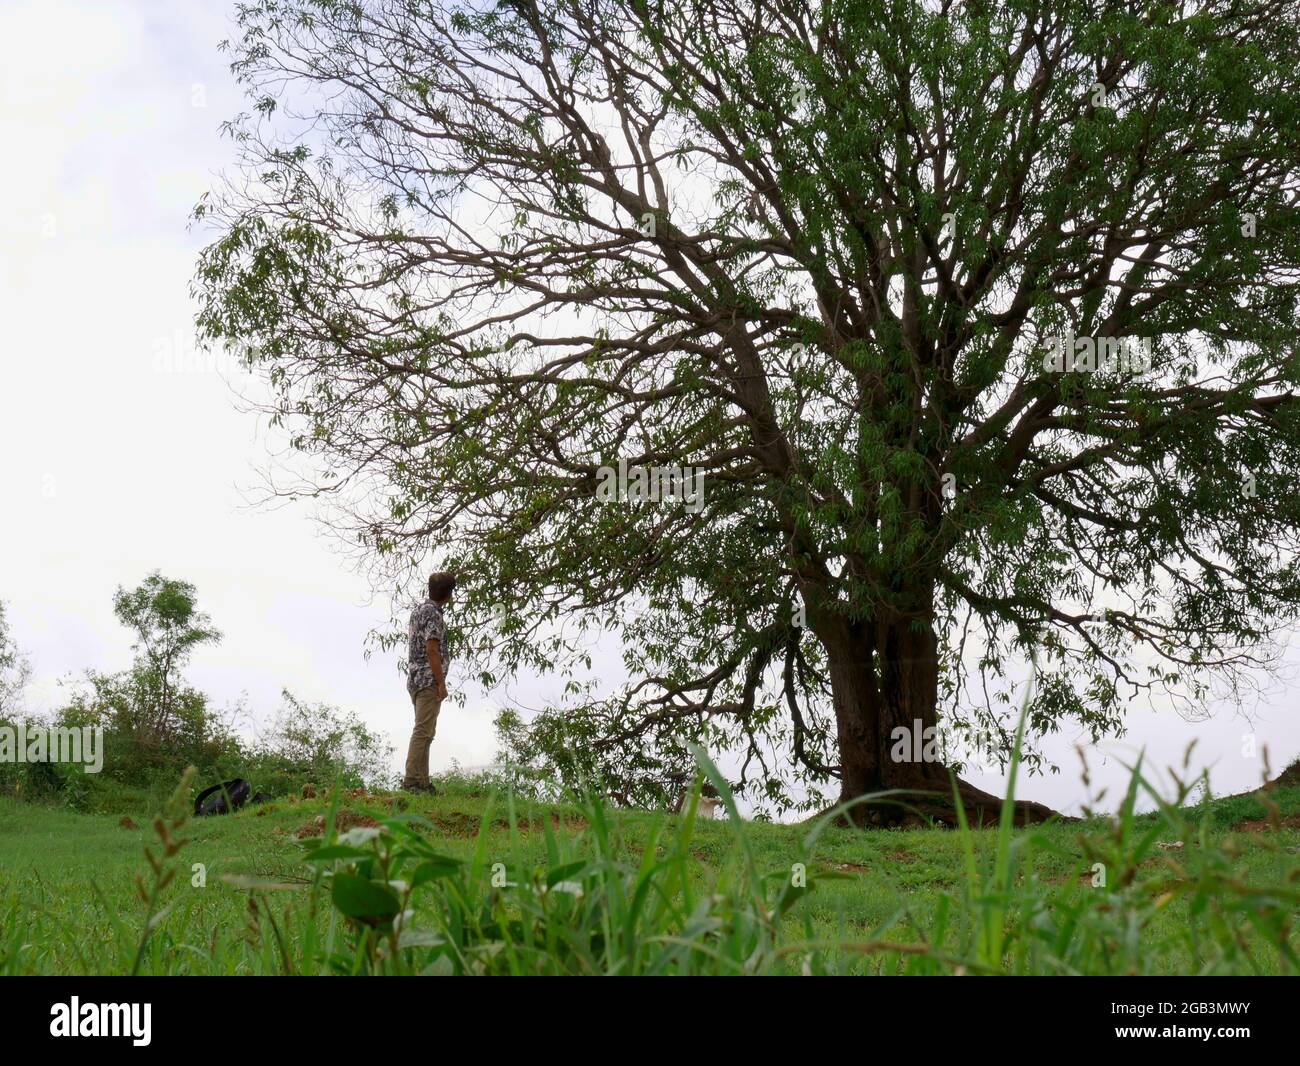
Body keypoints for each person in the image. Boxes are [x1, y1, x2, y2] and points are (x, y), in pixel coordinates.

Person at [402, 571, 454, 793]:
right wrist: (441, 683)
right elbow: (431, 648)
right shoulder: (433, 614)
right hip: (428, 678)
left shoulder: (419, 611)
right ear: (449, 594)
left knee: (426, 732)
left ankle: (422, 782)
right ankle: (412, 781)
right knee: (423, 731)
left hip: (415, 678)